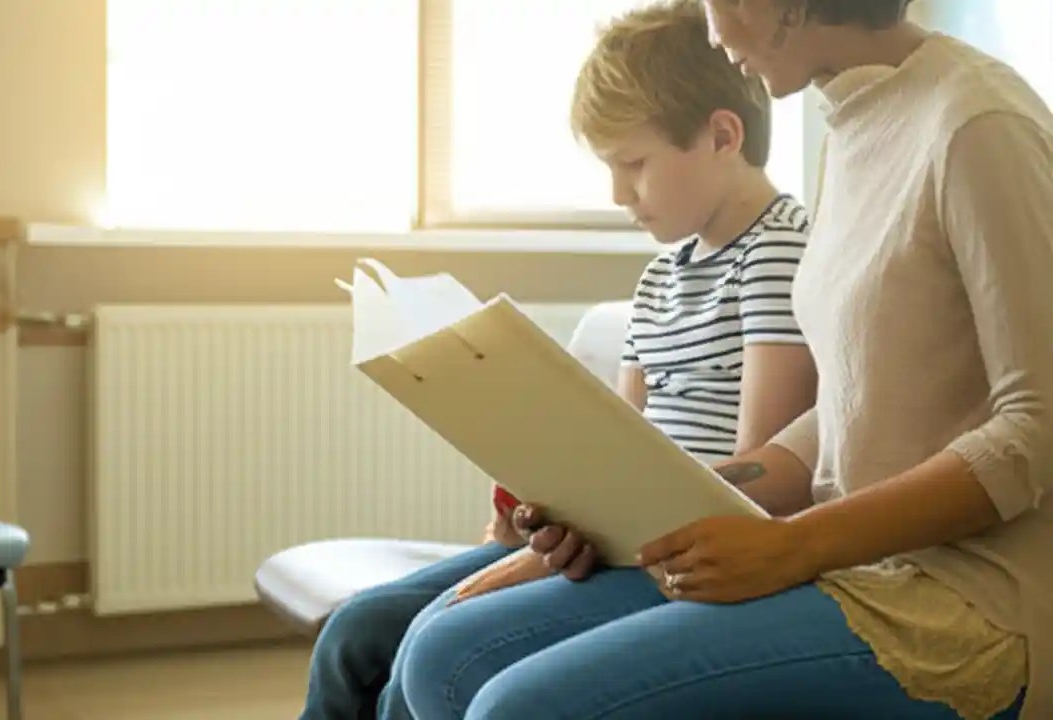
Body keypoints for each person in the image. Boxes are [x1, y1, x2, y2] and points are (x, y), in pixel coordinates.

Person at [388, 0, 1053, 718]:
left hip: (962, 601)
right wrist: (643, 509)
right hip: (843, 561)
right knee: (443, 658)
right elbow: (847, 412)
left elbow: (1036, 431)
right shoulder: (853, 125)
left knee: (516, 708)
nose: (710, 30)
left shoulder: (981, 126)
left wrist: (795, 547)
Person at [298, 2, 820, 717]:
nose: (617, 195)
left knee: (425, 651)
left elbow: (758, 481)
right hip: (610, 542)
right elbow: (623, 441)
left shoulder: (779, 251)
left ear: (722, 136)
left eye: (633, 164)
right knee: (355, 634)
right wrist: (546, 513)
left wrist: (548, 553)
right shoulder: (659, 278)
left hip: (679, 555)